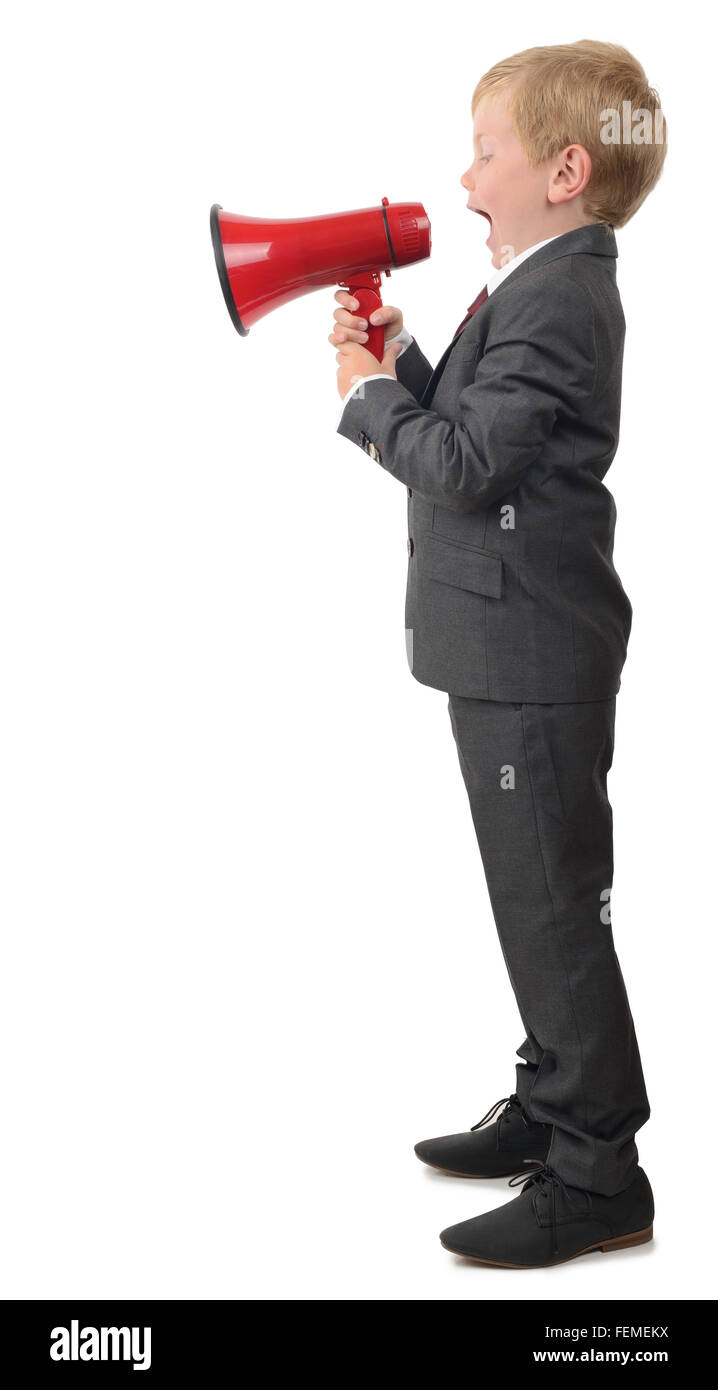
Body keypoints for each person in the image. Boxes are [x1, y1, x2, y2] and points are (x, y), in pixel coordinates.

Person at [329, 40, 667, 1268]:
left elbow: (468, 468)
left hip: (530, 650)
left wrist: (372, 400)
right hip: (514, 640)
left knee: (550, 903)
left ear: (566, 170)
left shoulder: (559, 293)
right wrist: (408, 364)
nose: (465, 175)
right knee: (534, 896)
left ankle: (596, 1171)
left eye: (487, 151)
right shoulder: (540, 283)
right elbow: (484, 435)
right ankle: (553, 1095)